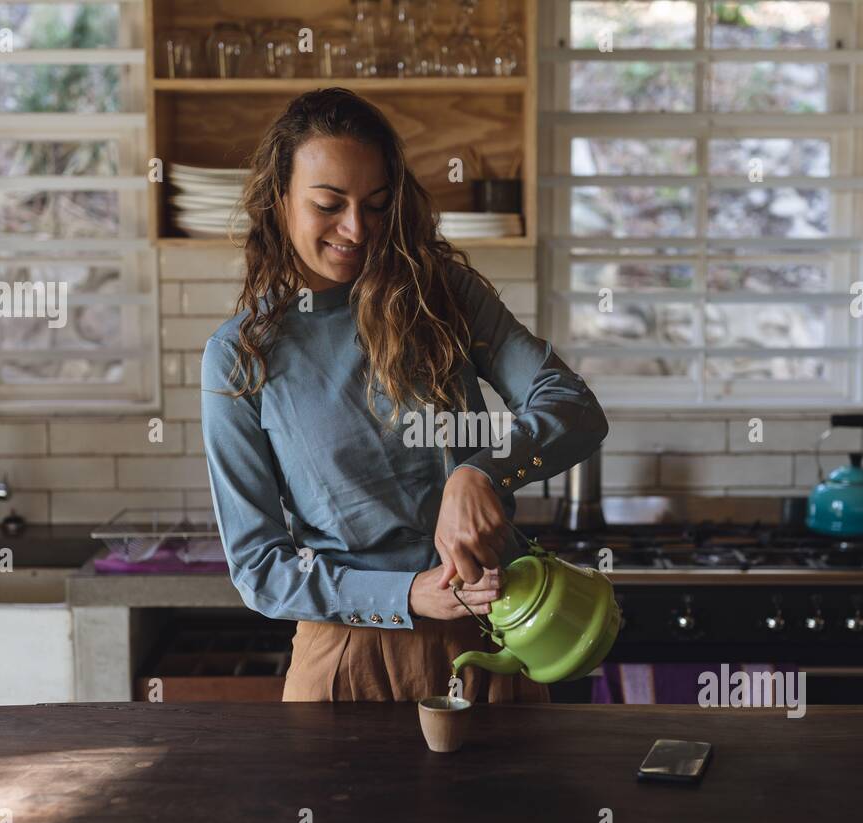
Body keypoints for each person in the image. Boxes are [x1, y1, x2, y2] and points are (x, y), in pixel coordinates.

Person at [200, 88, 607, 702]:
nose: (356, 228)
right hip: (348, 658)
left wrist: (481, 473)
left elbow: (574, 409)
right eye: (328, 204)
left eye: (377, 204)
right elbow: (259, 570)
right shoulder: (239, 357)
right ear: (279, 200)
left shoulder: (445, 294)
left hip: (493, 635)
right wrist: (404, 596)